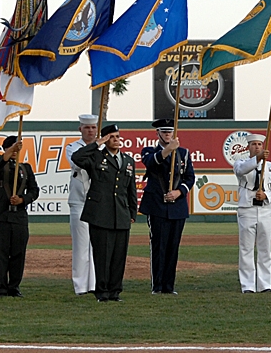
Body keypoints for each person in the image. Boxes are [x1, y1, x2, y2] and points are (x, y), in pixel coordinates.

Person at [72, 124, 138, 302]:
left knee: (119, 256)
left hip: (121, 213)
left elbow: (130, 189)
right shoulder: (96, 157)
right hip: (100, 214)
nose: (116, 140)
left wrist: (132, 212)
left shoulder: (128, 160)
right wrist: (97, 143)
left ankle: (115, 291)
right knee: (102, 256)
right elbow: (77, 157)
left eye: (118, 137)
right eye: (112, 137)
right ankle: (102, 292)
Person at [0, 135, 40, 298]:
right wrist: (9, 152)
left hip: (19, 215)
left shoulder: (25, 168)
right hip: (1, 214)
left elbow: (34, 190)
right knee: (1, 253)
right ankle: (1, 288)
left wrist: (23, 199)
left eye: (17, 149)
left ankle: (14, 287)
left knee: (18, 253)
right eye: (12, 148)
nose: (15, 151)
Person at [140, 117, 194, 294]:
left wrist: (179, 192)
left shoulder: (183, 153)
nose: (167, 134)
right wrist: (168, 150)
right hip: (157, 205)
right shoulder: (149, 151)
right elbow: (151, 163)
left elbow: (189, 177)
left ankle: (169, 287)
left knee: (173, 247)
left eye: (170, 132)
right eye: (164, 132)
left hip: (177, 207)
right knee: (159, 246)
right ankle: (157, 286)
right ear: (158, 133)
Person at [232, 133, 271, 293]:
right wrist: (257, 159)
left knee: (265, 248)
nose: (256, 147)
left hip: (265, 210)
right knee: (246, 248)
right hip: (247, 209)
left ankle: (265, 284)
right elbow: (241, 171)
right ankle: (247, 285)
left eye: (259, 144)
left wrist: (267, 195)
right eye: (253, 144)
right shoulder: (240, 163)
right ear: (248, 147)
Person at [65, 114, 99, 294]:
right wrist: (94, 147)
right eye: (87, 127)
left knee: (96, 244)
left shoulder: (103, 148)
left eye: (93, 127)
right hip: (78, 201)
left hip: (97, 202)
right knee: (81, 245)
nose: (90, 131)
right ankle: (80, 286)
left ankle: (94, 284)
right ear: (80, 129)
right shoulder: (73, 147)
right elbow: (77, 163)